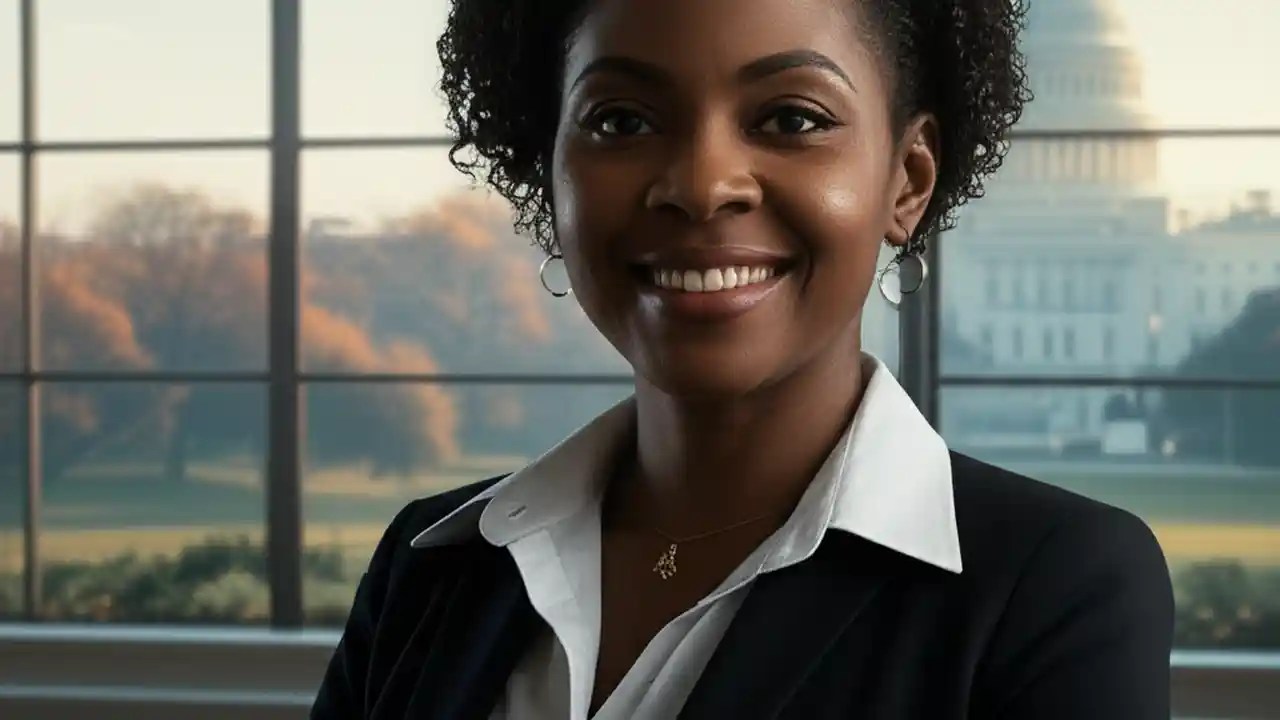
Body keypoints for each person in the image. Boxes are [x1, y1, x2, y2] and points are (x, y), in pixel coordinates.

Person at [311, 0, 1175, 717]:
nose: (702, 182)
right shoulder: (427, 569)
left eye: (791, 119)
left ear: (907, 180)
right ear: (550, 173)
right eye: (621, 120)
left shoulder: (1058, 591)